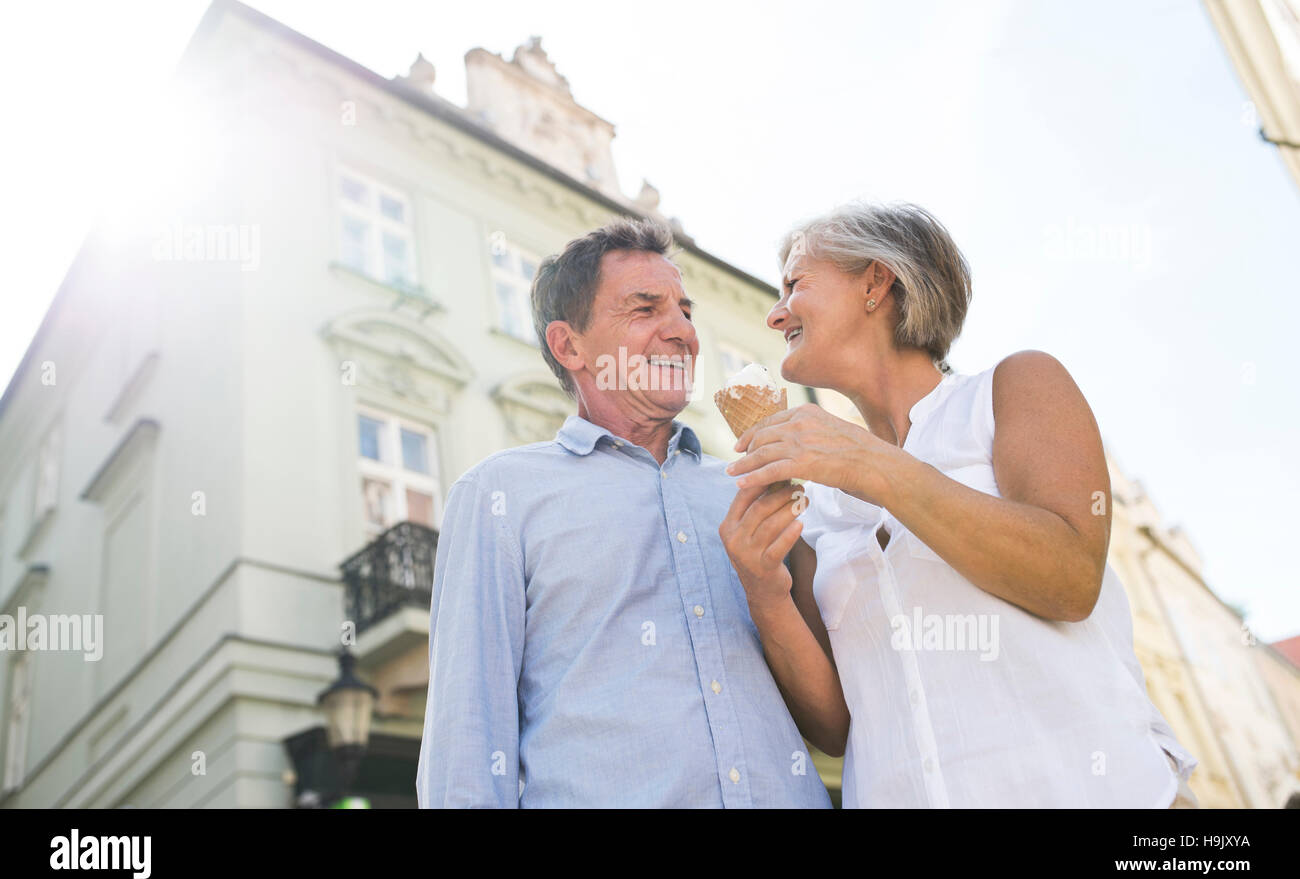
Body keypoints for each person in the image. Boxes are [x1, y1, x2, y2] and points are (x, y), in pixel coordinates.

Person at [719, 201, 1198, 808]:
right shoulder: (816, 499)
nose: (774, 312)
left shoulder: (1013, 389)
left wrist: (869, 464)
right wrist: (765, 590)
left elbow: (1070, 579)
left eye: (795, 283)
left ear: (876, 281)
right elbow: (837, 727)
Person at [416, 216, 831, 808]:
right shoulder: (499, 495)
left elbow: (830, 721)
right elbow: (465, 746)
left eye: (685, 311)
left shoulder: (751, 487)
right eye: (644, 310)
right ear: (570, 346)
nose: (682, 333)